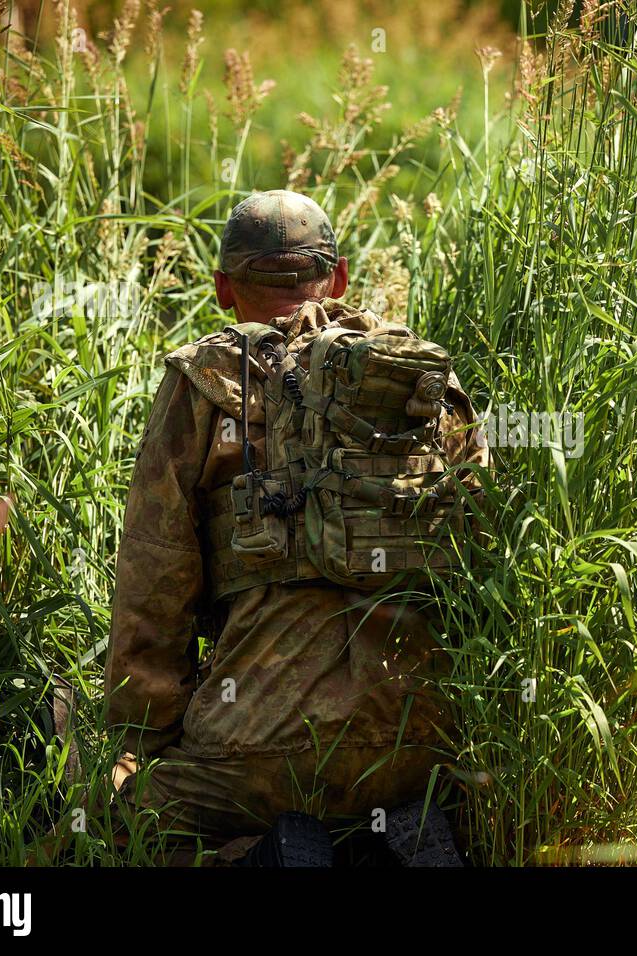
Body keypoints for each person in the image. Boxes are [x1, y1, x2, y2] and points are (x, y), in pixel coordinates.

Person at [103, 189, 487, 865]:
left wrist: (143, 744)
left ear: (224, 289)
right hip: (416, 740)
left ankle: (267, 857)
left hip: (257, 748)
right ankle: (392, 841)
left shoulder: (202, 383)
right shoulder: (419, 378)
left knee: (123, 818)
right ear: (336, 277)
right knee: (395, 798)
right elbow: (485, 550)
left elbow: (152, 586)